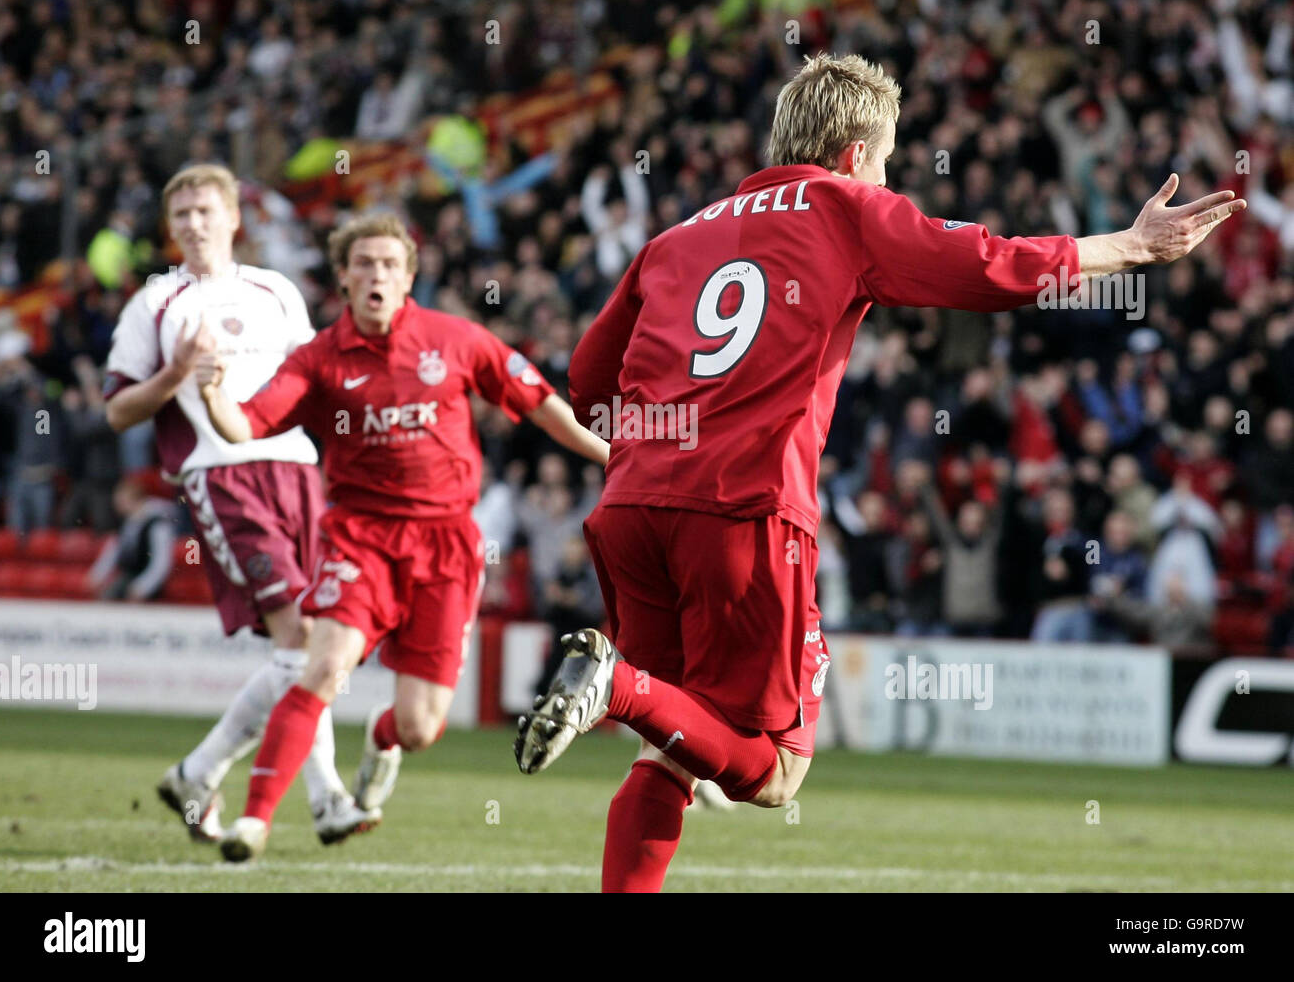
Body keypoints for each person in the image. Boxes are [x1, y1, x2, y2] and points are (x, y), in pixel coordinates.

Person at [513, 52, 1246, 892]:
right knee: (776, 769)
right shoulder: (844, 208)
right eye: (890, 155)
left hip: (633, 507)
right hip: (743, 510)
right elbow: (985, 266)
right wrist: (1128, 247)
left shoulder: (677, 236)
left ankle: (625, 693)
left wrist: (663, 428)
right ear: (858, 150)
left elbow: (586, 379)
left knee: (668, 752)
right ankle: (615, 683)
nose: (890, 171)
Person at [193, 213, 609, 861]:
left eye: (389, 263)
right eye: (363, 263)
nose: (376, 274)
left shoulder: (457, 339)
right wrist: (215, 392)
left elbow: (534, 400)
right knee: (323, 667)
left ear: (409, 276)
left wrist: (605, 453)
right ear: (343, 278)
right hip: (361, 539)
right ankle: (256, 820)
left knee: (418, 728)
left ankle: (382, 742)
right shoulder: (319, 359)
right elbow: (245, 425)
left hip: (446, 546)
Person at [103, 164, 375, 846]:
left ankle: (201, 771)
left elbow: (311, 382)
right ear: (171, 229)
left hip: (298, 472)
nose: (193, 224)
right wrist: (173, 375)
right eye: (182, 215)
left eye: (204, 211)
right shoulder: (155, 304)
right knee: (299, 638)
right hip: (218, 475)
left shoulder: (274, 291)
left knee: (311, 644)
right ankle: (326, 798)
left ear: (233, 219)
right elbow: (116, 412)